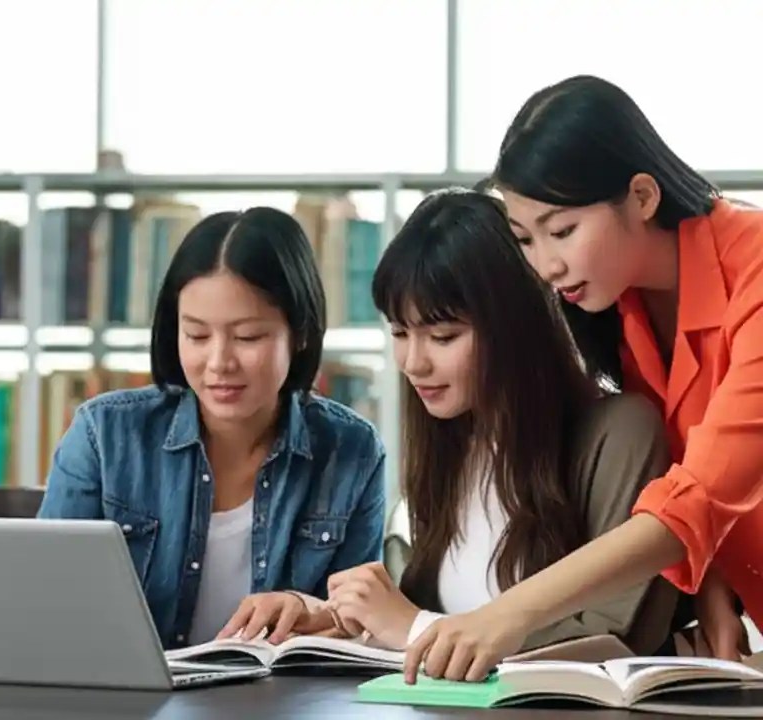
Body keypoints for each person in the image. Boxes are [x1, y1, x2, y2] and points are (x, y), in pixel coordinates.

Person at [403, 74, 763, 683]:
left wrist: (506, 615)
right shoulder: (625, 309)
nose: (546, 265)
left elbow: (701, 494)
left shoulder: (755, 272)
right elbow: (702, 482)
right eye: (525, 239)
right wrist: (713, 583)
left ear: (642, 196)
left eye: (562, 231)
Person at [321, 188, 686, 658]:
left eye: (443, 336)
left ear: (513, 328)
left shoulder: (620, 434)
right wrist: (342, 620)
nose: (414, 362)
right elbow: (420, 622)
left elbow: (618, 637)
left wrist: (414, 628)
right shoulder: (450, 442)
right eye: (399, 332)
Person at [38, 206, 386, 649]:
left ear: (300, 332)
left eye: (247, 337)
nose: (219, 362)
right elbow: (45, 601)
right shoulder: (104, 435)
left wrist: (309, 609)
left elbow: (356, 629)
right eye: (197, 336)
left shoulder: (351, 451)